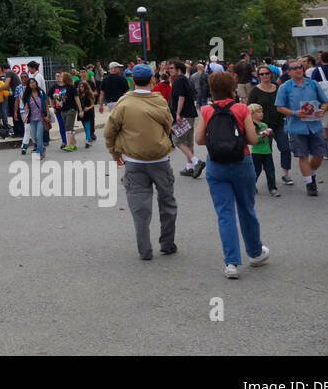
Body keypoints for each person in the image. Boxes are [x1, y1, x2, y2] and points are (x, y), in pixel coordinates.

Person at [195, 72, 269, 278]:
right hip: (241, 162)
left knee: (225, 214)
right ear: (232, 89)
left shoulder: (206, 110)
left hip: (216, 164)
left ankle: (231, 263)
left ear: (211, 90)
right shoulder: (241, 108)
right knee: (247, 209)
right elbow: (253, 140)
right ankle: (255, 253)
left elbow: (199, 139)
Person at [104, 64, 177, 261]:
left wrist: (114, 151)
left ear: (133, 80)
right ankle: (167, 243)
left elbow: (110, 130)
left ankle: (145, 250)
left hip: (134, 161)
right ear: (152, 80)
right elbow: (169, 123)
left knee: (139, 208)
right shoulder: (159, 101)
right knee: (167, 202)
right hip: (160, 159)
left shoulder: (124, 103)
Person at [274, 58, 328, 196]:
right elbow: (279, 107)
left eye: (300, 67)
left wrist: (322, 110)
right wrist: (294, 113)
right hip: (296, 127)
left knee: (319, 154)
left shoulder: (313, 84)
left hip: (314, 125)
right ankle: (310, 184)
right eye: (294, 68)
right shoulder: (285, 87)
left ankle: (312, 174)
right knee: (302, 155)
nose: (298, 69)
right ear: (289, 72)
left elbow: (325, 102)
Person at [250, 63, 294, 187]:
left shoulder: (278, 87)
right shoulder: (255, 91)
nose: (264, 76)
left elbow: (285, 102)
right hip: (263, 126)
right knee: (265, 153)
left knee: (285, 148)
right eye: (261, 74)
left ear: (271, 75)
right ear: (258, 76)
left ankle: (285, 174)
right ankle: (257, 178)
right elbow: (250, 109)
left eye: (267, 73)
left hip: (279, 123)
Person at [247, 103, 280, 196]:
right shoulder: (251, 126)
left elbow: (268, 140)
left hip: (267, 151)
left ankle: (273, 188)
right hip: (257, 152)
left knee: (270, 171)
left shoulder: (264, 125)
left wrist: (270, 134)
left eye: (262, 111)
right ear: (252, 114)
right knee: (256, 171)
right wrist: (264, 134)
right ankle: (251, 186)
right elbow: (254, 140)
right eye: (259, 112)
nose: (262, 113)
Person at [19, 76, 50, 159]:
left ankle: (39, 154)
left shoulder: (41, 93)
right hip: (32, 118)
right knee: (34, 137)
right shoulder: (27, 95)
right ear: (29, 85)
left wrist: (47, 115)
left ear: (36, 83)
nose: (32, 84)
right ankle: (42, 148)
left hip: (41, 118)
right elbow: (26, 107)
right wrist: (25, 117)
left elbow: (46, 105)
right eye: (31, 83)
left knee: (39, 135)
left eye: (34, 82)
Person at [54, 72, 78, 152]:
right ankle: (73, 143)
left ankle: (69, 145)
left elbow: (76, 98)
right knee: (67, 127)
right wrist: (56, 96)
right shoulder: (60, 88)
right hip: (63, 110)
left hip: (71, 109)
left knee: (68, 127)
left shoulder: (72, 87)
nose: (60, 77)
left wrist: (80, 109)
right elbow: (59, 100)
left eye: (62, 76)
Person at [75, 79, 97, 148]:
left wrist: (88, 108)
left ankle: (88, 140)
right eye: (80, 86)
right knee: (85, 127)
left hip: (88, 112)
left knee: (87, 127)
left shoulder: (89, 94)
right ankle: (89, 139)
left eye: (82, 86)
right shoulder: (78, 94)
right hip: (81, 112)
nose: (81, 88)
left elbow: (93, 104)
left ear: (85, 87)